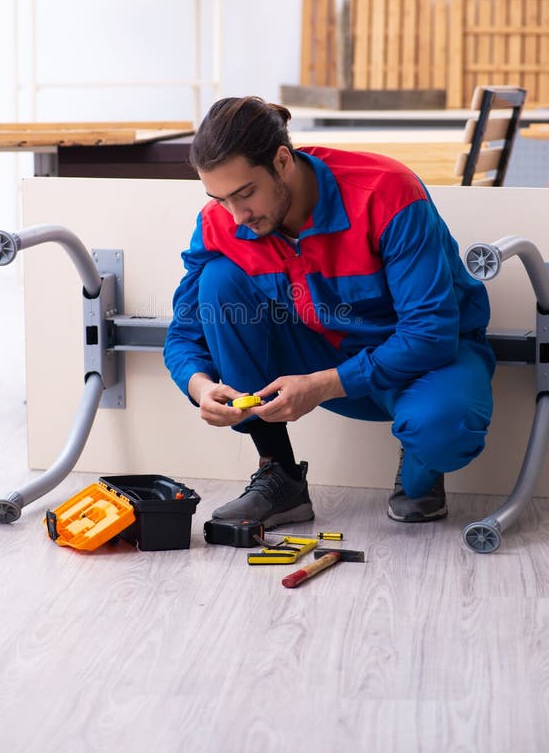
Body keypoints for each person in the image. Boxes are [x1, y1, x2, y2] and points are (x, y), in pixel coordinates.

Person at [164, 96, 495, 528]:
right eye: (220, 198)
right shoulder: (221, 221)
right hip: (325, 351)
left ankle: (422, 467)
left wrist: (322, 385)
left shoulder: (387, 192)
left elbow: (429, 333)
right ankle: (280, 476)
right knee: (219, 280)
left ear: (282, 161)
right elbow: (184, 334)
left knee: (440, 430)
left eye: (245, 194)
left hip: (429, 360)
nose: (237, 215)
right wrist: (200, 386)